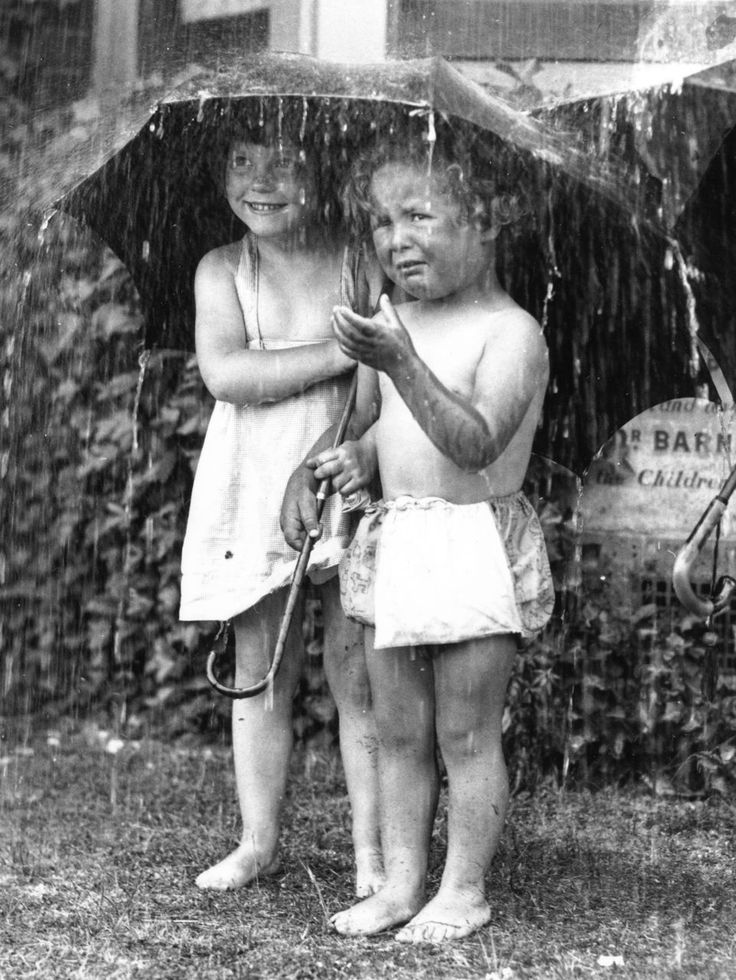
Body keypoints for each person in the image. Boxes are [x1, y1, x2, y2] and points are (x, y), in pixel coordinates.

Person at [281, 135, 555, 942]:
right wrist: (328, 464)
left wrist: (400, 360)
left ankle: (463, 888)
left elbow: (474, 443)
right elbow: (371, 426)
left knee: (465, 731)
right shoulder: (388, 320)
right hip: (397, 539)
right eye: (379, 221)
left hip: (471, 543)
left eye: (420, 216)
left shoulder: (510, 333)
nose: (395, 239)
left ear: (489, 221)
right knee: (397, 728)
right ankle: (402, 883)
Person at [179, 114, 383, 897]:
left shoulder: (358, 262)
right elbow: (227, 374)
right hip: (253, 480)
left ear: (320, 170)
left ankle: (371, 852)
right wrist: (340, 349)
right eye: (241, 161)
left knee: (356, 668)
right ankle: (258, 839)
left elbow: (371, 395)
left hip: (339, 471)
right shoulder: (221, 270)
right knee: (259, 666)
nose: (259, 180)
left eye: (283, 161)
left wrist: (340, 446)